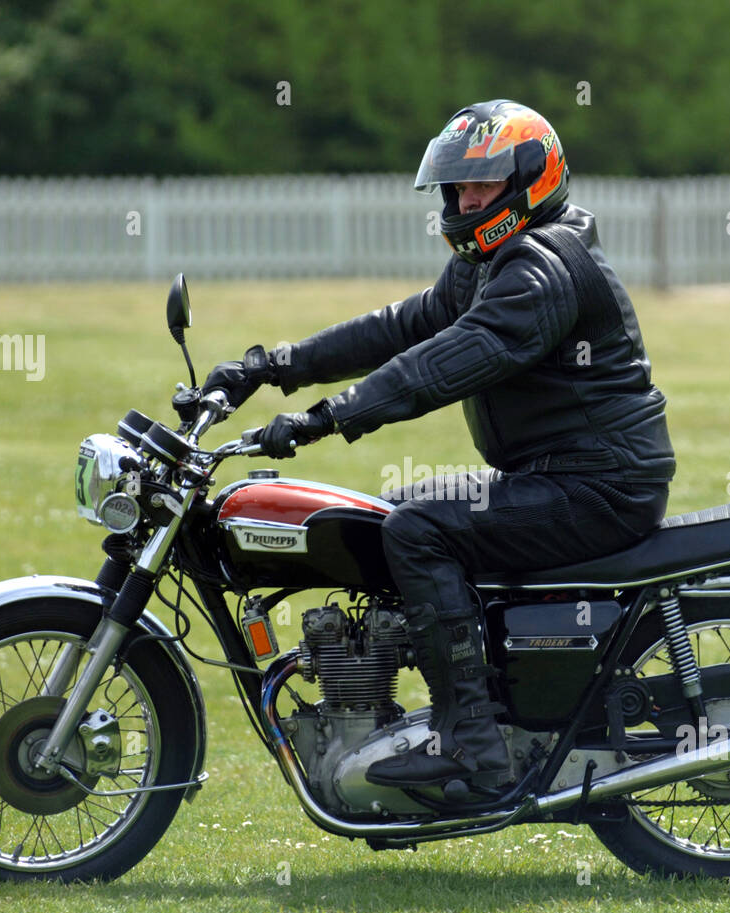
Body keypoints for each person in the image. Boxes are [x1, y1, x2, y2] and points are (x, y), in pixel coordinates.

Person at [203, 99, 675, 798]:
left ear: (529, 180)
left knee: (418, 531)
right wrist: (273, 365)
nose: (466, 199)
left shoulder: (540, 269)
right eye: (458, 188)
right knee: (383, 514)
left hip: (598, 486)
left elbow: (442, 362)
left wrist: (326, 417)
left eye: (482, 184)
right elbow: (403, 326)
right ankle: (443, 712)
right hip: (564, 477)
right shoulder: (492, 259)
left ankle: (472, 750)